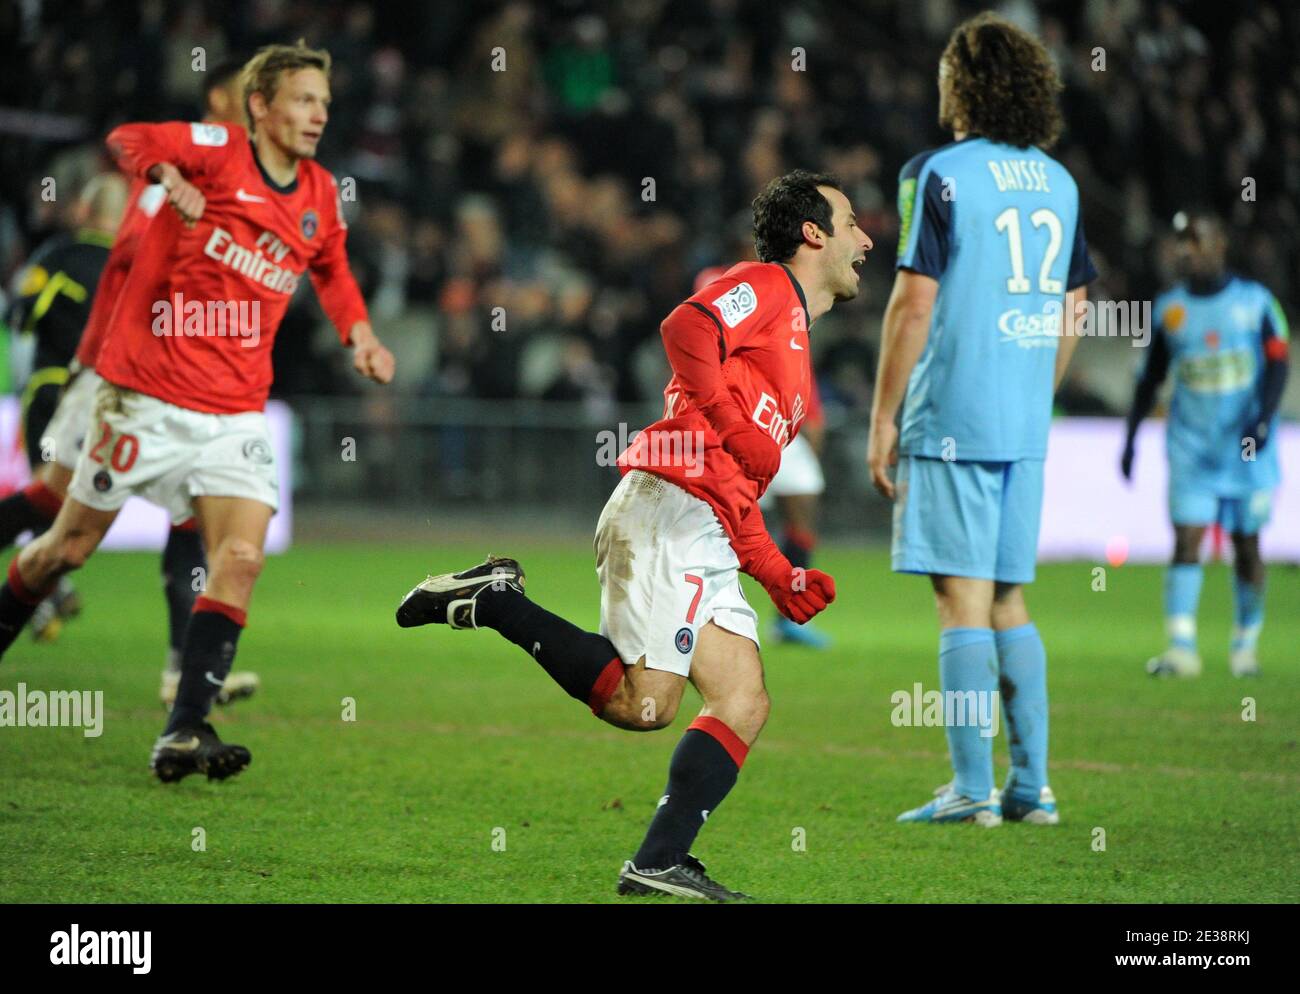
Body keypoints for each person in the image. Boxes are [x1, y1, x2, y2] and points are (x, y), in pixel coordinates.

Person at [397, 169, 870, 899]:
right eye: (851, 223)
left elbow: (737, 484)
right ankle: (495, 600)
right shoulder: (770, 287)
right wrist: (739, 426)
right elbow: (685, 328)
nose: (866, 239)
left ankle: (658, 861)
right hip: (667, 508)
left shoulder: (797, 347)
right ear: (813, 233)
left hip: (703, 523)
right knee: (643, 705)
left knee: (742, 698)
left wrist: (778, 572)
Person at [0, 41, 395, 783]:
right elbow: (128, 140)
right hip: (147, 397)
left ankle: (184, 730)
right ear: (261, 105)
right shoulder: (216, 151)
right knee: (65, 549)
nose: (319, 115)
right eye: (305, 100)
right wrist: (165, 173)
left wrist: (359, 333)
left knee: (240, 558)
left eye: (325, 103)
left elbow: (332, 266)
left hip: (236, 413)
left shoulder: (316, 193)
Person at [867, 13, 1097, 827]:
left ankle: (972, 789)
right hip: (1023, 421)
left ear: (963, 84)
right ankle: (1032, 787)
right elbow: (1074, 307)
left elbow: (912, 304)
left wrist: (884, 414)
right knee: (1007, 599)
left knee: (959, 601)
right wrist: (1039, 389)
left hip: (952, 413)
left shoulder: (936, 173)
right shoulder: (1061, 183)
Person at [0, 60, 260, 707]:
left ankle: (184, 677)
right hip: (120, 376)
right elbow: (131, 262)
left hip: (171, 380)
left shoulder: (235, 182)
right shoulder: (172, 174)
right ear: (222, 100)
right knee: (60, 530)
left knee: (190, 520)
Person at [1121, 211, 1289, 678]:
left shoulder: (1256, 304)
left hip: (1246, 448)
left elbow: (1278, 364)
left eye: (1195, 241)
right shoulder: (1169, 308)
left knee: (1248, 545)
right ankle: (1181, 649)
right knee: (1186, 540)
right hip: (1191, 446)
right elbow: (1150, 378)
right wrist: (1131, 436)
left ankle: (1244, 648)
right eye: (1180, 242)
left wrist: (1262, 418)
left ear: (1220, 245)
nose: (1185, 251)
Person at [4, 173, 127, 638]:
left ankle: (40, 592)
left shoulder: (59, 256)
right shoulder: (131, 266)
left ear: (83, 212)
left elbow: (23, 310)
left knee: (45, 493)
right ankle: (48, 589)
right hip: (115, 397)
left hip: (55, 387)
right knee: (66, 501)